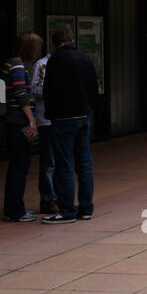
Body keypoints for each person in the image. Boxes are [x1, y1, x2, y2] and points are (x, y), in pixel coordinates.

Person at [42, 27, 100, 224]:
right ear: (72, 40)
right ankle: (86, 208)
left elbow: (49, 90)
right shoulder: (85, 59)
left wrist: (51, 114)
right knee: (84, 163)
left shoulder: (55, 60)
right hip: (83, 116)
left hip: (63, 118)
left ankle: (66, 210)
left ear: (54, 43)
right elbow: (94, 88)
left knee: (64, 163)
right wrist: (89, 108)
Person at [1, 32, 43, 222]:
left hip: (13, 120)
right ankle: (16, 210)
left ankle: (13, 208)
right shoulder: (17, 66)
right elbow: (21, 95)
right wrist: (31, 120)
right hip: (19, 121)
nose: (37, 52)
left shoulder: (10, 64)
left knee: (17, 166)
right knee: (20, 166)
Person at [29, 39, 59, 215]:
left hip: (62, 120)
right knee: (49, 163)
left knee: (60, 161)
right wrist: (55, 90)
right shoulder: (42, 64)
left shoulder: (65, 62)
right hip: (46, 119)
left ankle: (59, 197)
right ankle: (48, 200)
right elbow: (34, 88)